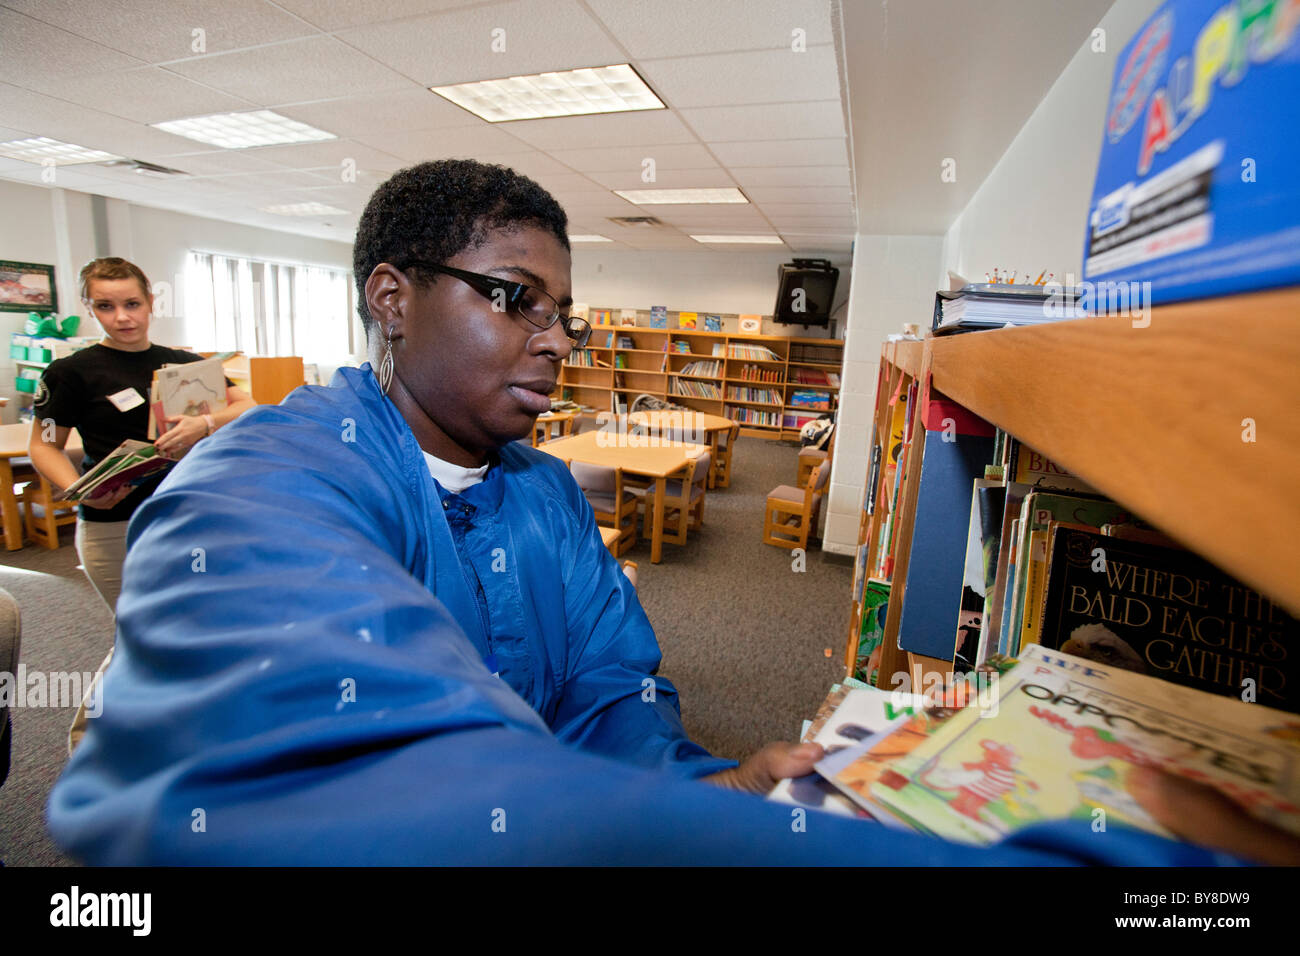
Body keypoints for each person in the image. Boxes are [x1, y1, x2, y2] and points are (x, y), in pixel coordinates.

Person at [43, 162, 1294, 866]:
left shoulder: (541, 495)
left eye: (563, 309)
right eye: (514, 298)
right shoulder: (263, 478)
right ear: (391, 295)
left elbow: (610, 692)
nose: (557, 340)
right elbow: (333, 785)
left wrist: (714, 780)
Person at [27, 257, 254, 749]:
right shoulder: (70, 373)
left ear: (151, 302)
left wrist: (204, 424)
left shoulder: (184, 363)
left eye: (132, 304)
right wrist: (75, 486)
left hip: (187, 515)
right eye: (106, 307)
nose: (123, 317)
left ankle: (176, 740)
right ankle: (87, 744)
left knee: (188, 628)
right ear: (90, 309)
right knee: (140, 633)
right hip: (114, 523)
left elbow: (248, 406)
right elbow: (43, 444)